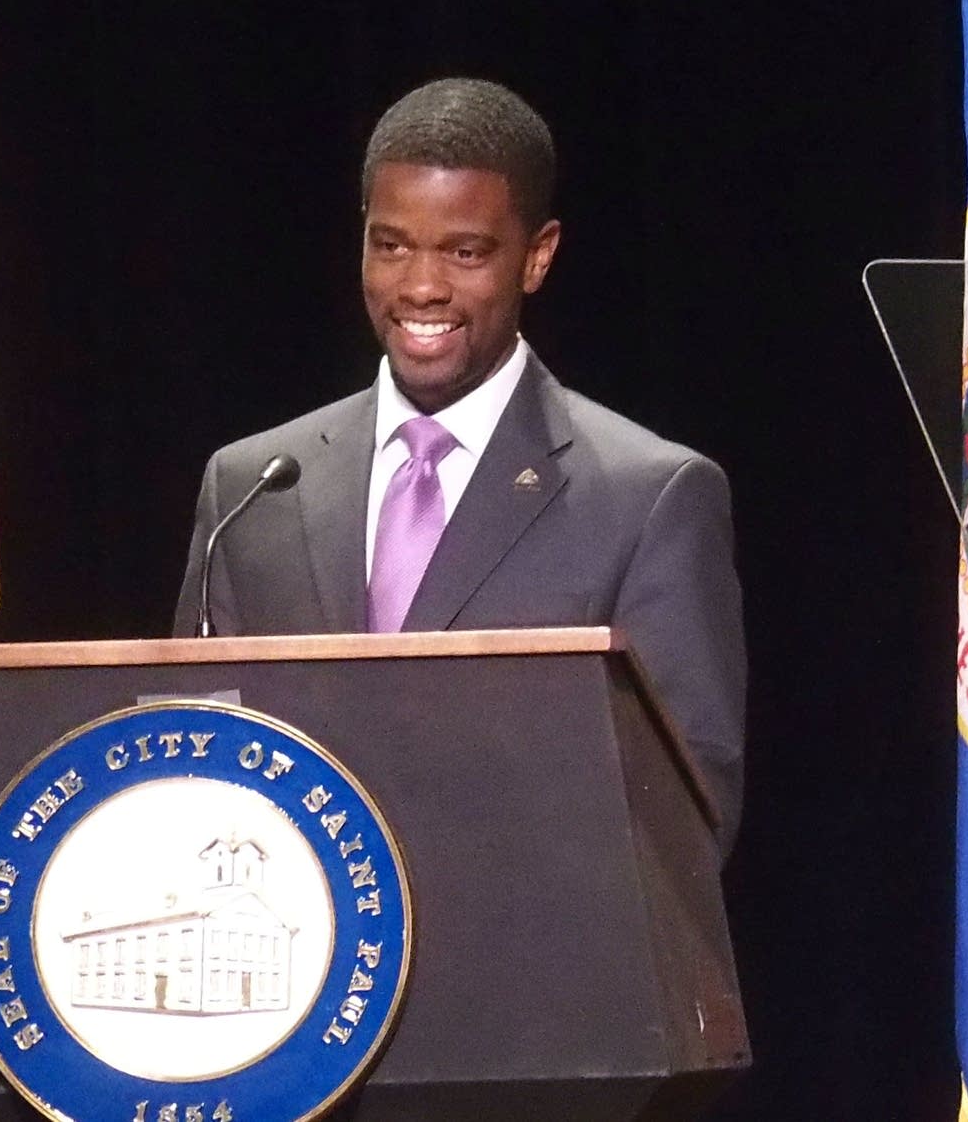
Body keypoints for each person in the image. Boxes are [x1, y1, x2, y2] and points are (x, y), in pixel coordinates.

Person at [174, 77, 746, 854]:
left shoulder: (646, 500)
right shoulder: (255, 486)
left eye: (464, 252)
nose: (420, 286)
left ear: (536, 256)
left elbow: (685, 817)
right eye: (391, 245)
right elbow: (193, 766)